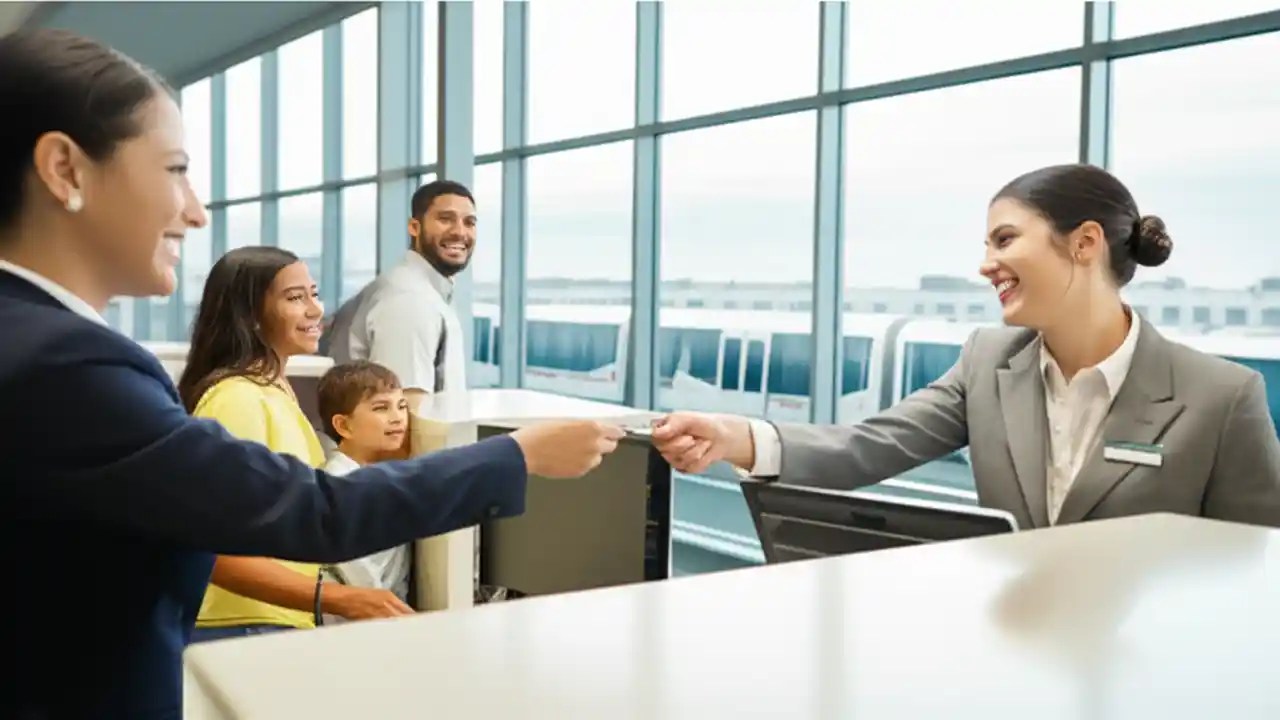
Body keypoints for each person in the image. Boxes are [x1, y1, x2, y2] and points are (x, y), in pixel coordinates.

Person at [0, 28, 623, 718]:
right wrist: (518, 454)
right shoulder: (66, 367)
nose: (196, 210)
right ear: (64, 170)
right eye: (174, 169)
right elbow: (313, 510)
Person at [652, 164, 1280, 529]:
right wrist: (732, 437)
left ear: (1084, 243)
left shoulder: (1221, 399)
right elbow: (868, 446)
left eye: (1005, 240)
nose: (986, 264)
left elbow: (1257, 573)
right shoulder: (988, 361)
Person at [179, 248, 418, 642]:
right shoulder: (238, 399)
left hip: (271, 624)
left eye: (314, 294)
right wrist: (340, 598)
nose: (315, 310)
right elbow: (213, 551)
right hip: (239, 627)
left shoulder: (273, 393)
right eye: (295, 298)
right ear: (252, 316)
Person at [324, 179, 475, 407]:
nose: (459, 232)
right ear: (414, 227)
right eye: (445, 219)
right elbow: (405, 410)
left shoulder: (415, 289)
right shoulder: (410, 300)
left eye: (469, 222)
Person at [315, 360, 415, 608]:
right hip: (357, 622)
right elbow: (356, 572)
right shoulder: (336, 483)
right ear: (344, 425)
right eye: (381, 408)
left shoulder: (386, 480)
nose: (397, 418)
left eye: (402, 406)